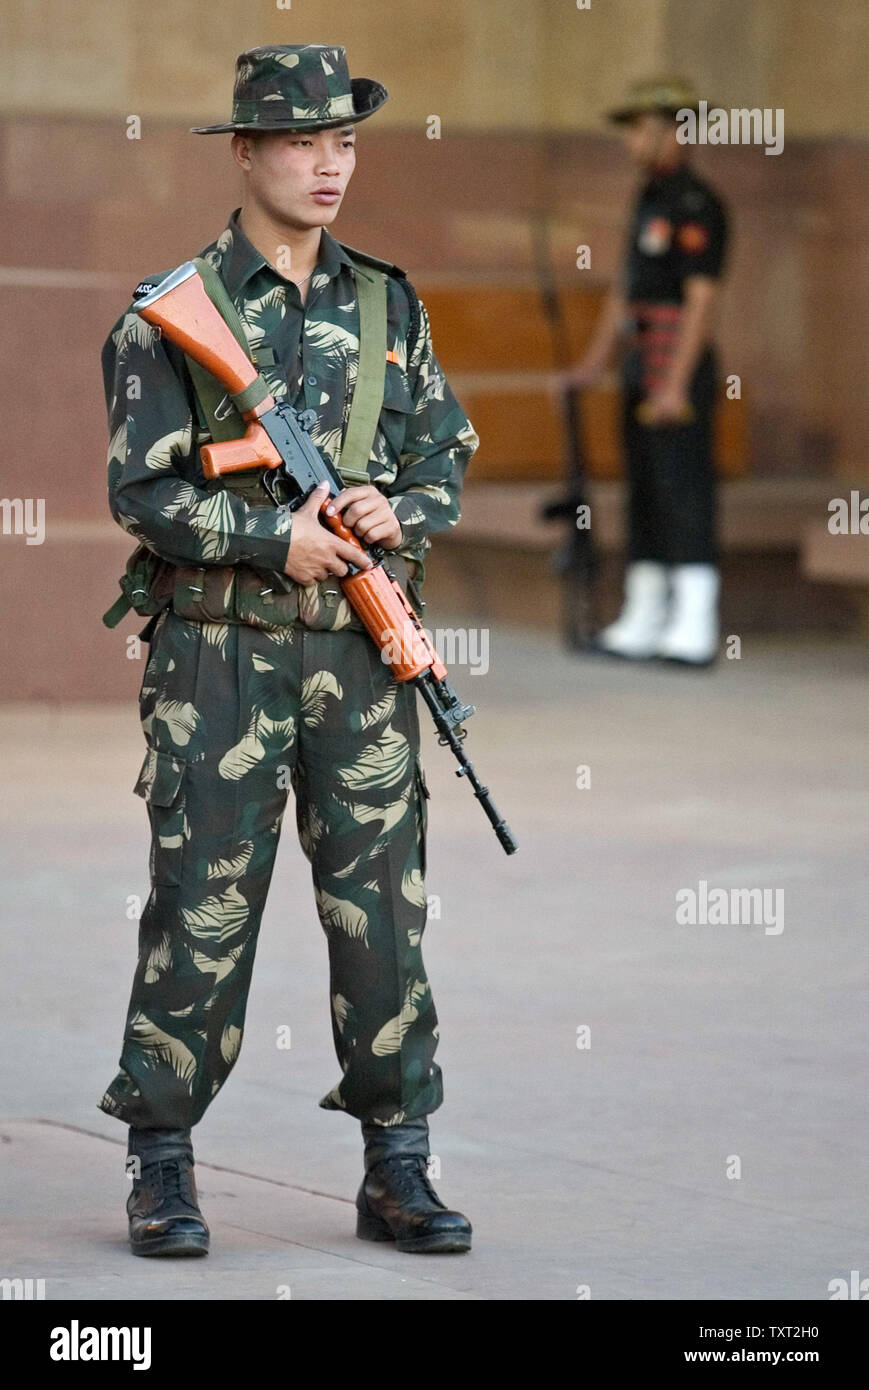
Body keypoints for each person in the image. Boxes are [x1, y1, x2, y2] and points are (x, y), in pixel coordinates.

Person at [98, 43, 479, 1257]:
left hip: (361, 669)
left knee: (382, 916)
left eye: (346, 141)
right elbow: (141, 494)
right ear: (248, 153)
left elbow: (444, 456)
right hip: (218, 662)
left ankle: (397, 1167)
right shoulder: (169, 313)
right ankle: (161, 1168)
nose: (329, 164)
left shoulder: (387, 303)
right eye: (304, 141)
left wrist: (389, 515)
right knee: (200, 912)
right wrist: (277, 538)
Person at [569, 78, 729, 666]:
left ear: (674, 129)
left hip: (677, 367)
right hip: (642, 364)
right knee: (644, 489)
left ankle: (694, 621)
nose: (632, 140)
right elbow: (625, 289)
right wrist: (593, 365)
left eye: (641, 127)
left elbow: (701, 302)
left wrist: (676, 385)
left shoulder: (698, 204)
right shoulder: (648, 199)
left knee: (684, 491)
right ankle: (645, 613)